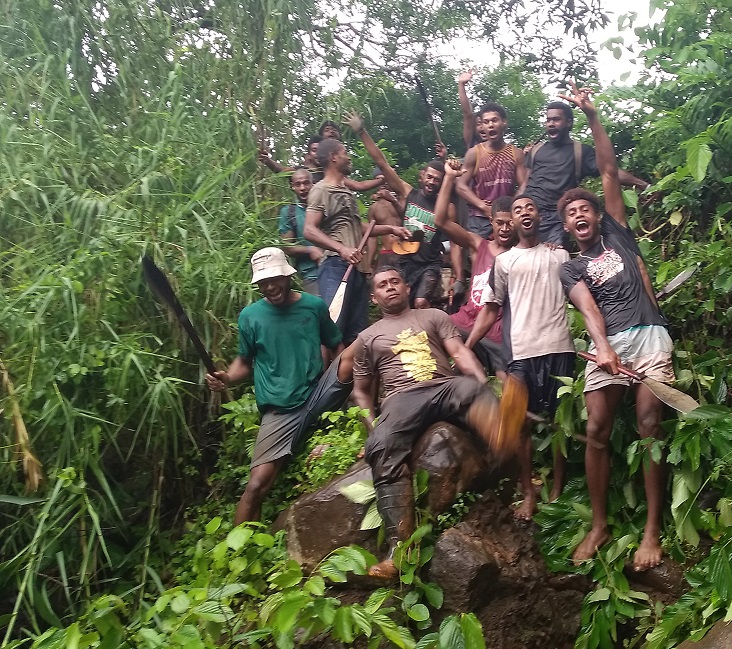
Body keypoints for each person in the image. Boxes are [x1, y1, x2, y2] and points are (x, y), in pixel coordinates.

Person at [557, 83, 674, 571]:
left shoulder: (619, 236)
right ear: (567, 227)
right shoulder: (571, 266)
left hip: (649, 336)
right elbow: (587, 309)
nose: (579, 214)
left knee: (649, 425)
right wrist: (603, 348)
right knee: (596, 429)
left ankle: (651, 530)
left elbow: (607, 170)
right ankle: (600, 525)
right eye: (570, 213)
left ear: (597, 216)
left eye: (584, 208)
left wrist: (591, 114)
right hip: (610, 345)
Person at [351, 266, 521, 579]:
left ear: (406, 287)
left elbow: (459, 351)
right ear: (374, 297)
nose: (390, 287)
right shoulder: (366, 338)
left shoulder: (434, 316)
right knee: (383, 445)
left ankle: (503, 435)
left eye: (395, 282)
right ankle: (400, 552)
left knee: (470, 389)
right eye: (383, 285)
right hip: (401, 398)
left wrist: (482, 383)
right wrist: (372, 429)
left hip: (443, 385)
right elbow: (361, 391)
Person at [205, 248, 354, 525]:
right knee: (256, 486)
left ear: (288, 276)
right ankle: (241, 545)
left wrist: (347, 392)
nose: (270, 287)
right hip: (281, 409)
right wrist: (226, 378)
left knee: (357, 350)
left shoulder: (313, 306)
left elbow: (336, 346)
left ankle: (364, 410)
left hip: (318, 391)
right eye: (264, 282)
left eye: (275, 279)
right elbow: (244, 362)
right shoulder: (250, 317)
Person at [466, 194, 574, 519]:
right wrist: (467, 346)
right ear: (511, 221)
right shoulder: (504, 262)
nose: (524, 212)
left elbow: (580, 296)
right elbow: (490, 309)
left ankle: (557, 488)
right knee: (521, 424)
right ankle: (528, 492)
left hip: (559, 347)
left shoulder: (560, 255)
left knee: (560, 422)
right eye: (518, 209)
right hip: (521, 352)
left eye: (530, 207)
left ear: (539, 216)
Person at [345, 112, 464, 309]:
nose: (432, 182)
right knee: (402, 305)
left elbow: (456, 243)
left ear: (443, 182)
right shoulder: (409, 192)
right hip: (404, 260)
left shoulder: (447, 207)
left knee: (420, 302)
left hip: (430, 263)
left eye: (437, 180)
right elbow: (382, 163)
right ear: (422, 176)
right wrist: (361, 131)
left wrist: (459, 277)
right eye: (429, 177)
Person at [303, 138, 411, 344]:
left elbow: (358, 227)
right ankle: (326, 367)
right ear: (334, 157)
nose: (349, 157)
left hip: (357, 269)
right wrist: (341, 249)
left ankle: (350, 367)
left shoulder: (345, 191)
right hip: (335, 265)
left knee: (357, 334)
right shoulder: (320, 190)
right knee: (333, 329)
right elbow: (309, 229)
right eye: (345, 152)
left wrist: (391, 228)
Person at [519, 102, 648, 244]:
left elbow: (610, 172)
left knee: (554, 256)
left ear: (568, 122)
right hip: (529, 215)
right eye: (548, 120)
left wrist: (644, 185)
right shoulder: (536, 150)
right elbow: (525, 184)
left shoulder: (581, 152)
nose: (551, 124)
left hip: (557, 221)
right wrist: (511, 208)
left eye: (556, 119)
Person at [435, 160, 516, 379]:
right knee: (430, 333)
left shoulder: (520, 253)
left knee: (504, 378)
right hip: (465, 318)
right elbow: (440, 220)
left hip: (496, 328)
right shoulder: (479, 245)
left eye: (510, 223)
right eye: (500, 222)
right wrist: (449, 178)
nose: (505, 228)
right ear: (491, 221)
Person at [456, 103, 528, 239]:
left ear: (504, 122)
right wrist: (483, 207)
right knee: (479, 252)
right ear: (482, 126)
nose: (490, 125)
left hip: (508, 218)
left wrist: (512, 205)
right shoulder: (474, 153)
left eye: (494, 120)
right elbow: (461, 186)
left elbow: (524, 184)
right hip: (480, 218)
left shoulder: (516, 153)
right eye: (486, 122)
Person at [278, 169, 322, 294]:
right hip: (311, 275)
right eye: (298, 184)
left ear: (313, 184)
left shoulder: (326, 206)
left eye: (306, 183)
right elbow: (286, 247)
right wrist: (310, 250)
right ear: (292, 187)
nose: (302, 188)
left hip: (336, 269)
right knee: (318, 306)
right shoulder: (289, 212)